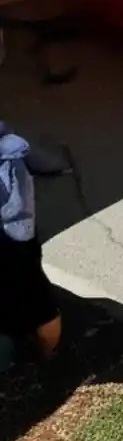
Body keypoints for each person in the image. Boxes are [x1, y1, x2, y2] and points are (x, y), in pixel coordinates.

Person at [0, 122, 66, 360]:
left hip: (12, 236)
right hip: (19, 232)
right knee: (33, 292)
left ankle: (48, 356)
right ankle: (47, 353)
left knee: (32, 296)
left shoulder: (10, 150)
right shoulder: (11, 147)